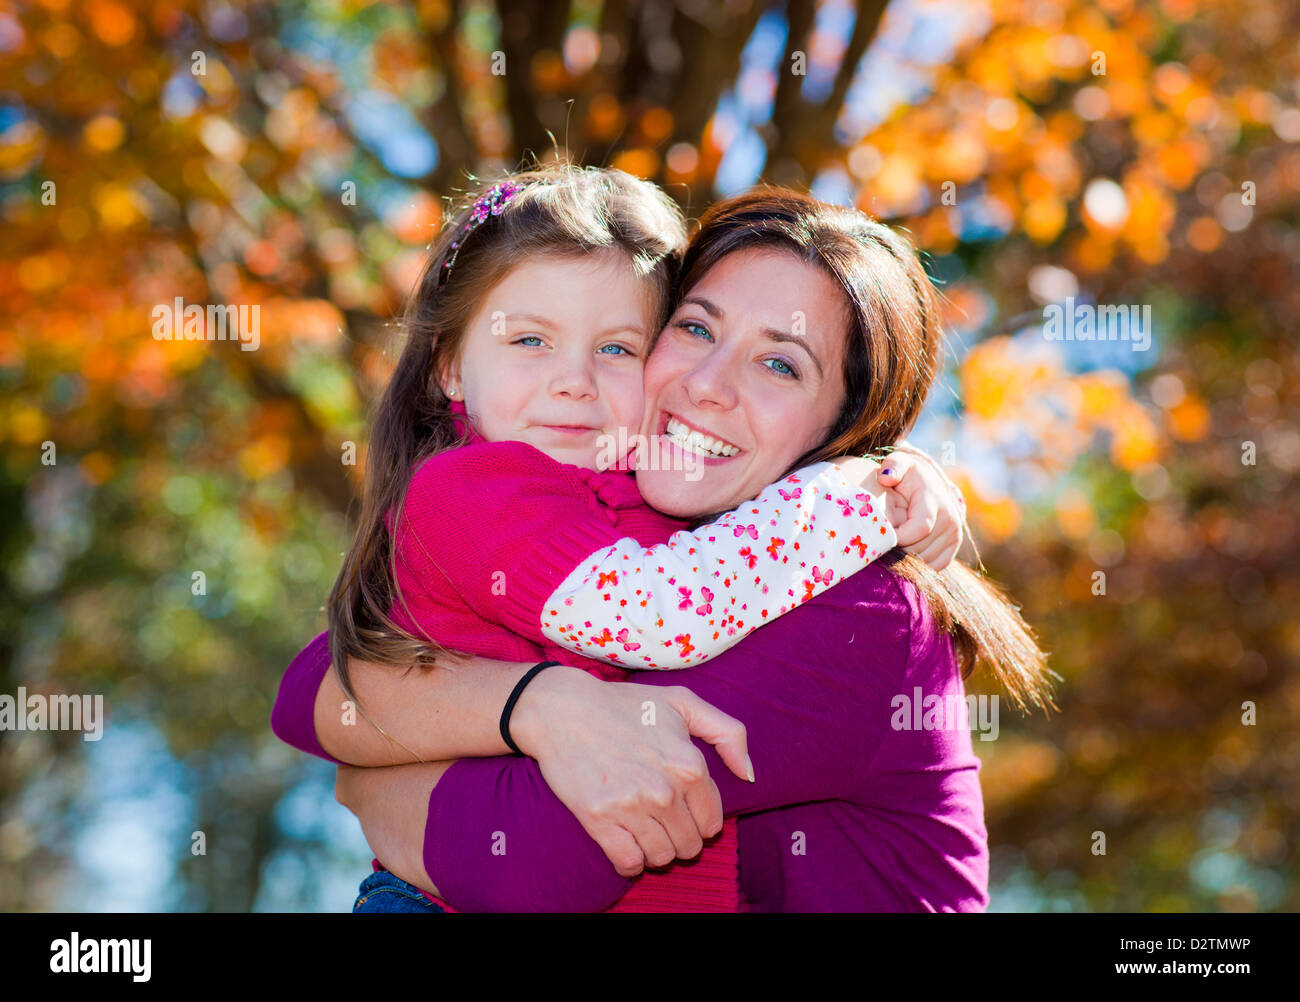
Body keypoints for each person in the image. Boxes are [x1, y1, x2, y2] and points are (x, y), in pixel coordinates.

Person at [275, 186, 1036, 911]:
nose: (707, 384)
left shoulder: (861, 610)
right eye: (697, 328)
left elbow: (535, 862)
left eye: (780, 364)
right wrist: (529, 707)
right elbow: (322, 679)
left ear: (844, 426)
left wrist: (375, 783)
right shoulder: (635, 523)